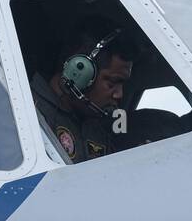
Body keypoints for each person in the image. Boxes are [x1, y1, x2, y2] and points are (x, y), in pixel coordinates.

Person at [31, 17, 139, 163]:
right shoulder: (23, 118)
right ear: (78, 72)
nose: (119, 94)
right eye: (112, 82)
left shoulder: (97, 127)